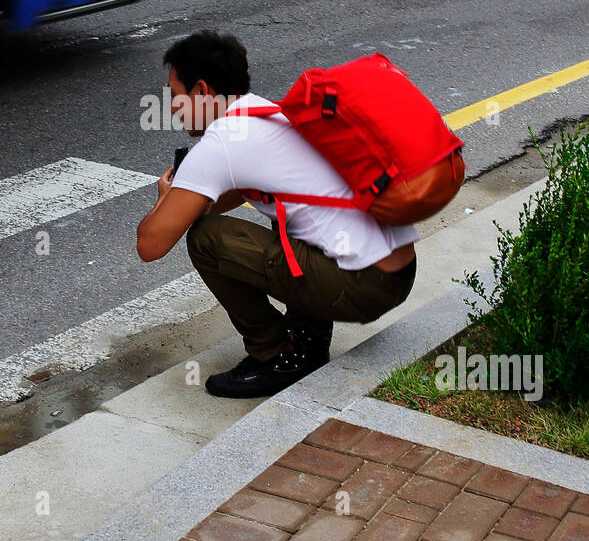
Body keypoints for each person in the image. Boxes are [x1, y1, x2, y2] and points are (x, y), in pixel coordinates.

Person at [136, 32, 419, 398]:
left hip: (364, 287)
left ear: (202, 90)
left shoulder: (221, 142)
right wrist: (191, 201)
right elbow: (237, 192)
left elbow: (150, 245)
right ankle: (309, 338)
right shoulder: (266, 113)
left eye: (176, 96)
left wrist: (167, 199)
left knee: (206, 238)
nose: (173, 108)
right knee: (288, 213)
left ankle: (279, 355)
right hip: (397, 271)